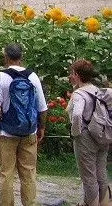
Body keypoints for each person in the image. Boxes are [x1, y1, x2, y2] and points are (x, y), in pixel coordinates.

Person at [0, 43, 48, 206]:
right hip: (29, 131)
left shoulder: (0, 77)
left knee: (6, 173)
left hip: (6, 132)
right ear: (21, 57)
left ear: (6, 56)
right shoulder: (33, 77)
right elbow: (42, 107)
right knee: (28, 173)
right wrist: (41, 127)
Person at [67, 59, 110, 206]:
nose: (71, 76)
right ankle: (105, 203)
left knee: (89, 176)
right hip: (102, 135)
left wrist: (75, 132)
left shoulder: (79, 94)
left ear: (77, 75)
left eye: (72, 73)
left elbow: (78, 115)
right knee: (101, 172)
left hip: (85, 138)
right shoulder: (97, 90)